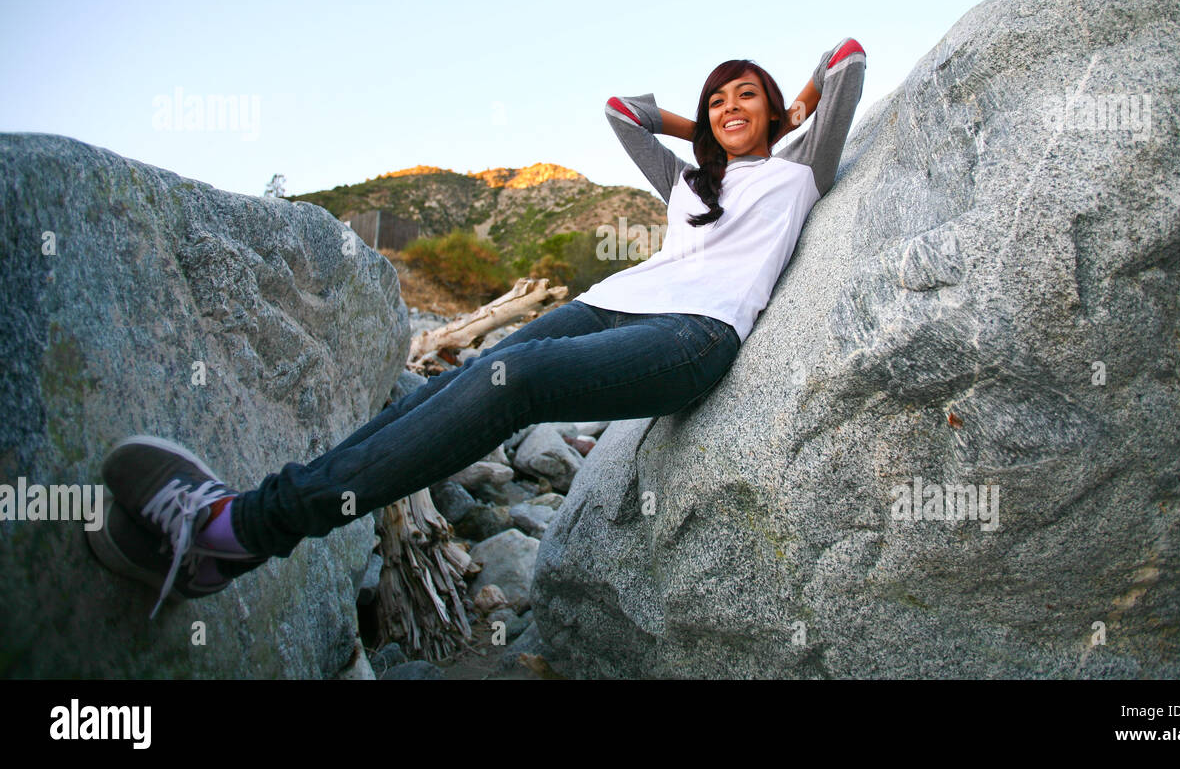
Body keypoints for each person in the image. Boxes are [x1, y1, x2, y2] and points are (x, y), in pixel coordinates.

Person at [87, 38, 866, 617]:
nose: (731, 109)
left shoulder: (803, 169)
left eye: (745, 97)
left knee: (518, 383)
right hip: (616, 301)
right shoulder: (690, 179)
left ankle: (238, 527)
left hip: (694, 332)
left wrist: (796, 109)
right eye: (719, 99)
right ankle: (222, 546)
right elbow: (620, 111)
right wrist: (696, 123)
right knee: (467, 375)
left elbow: (847, 60)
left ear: (775, 110)